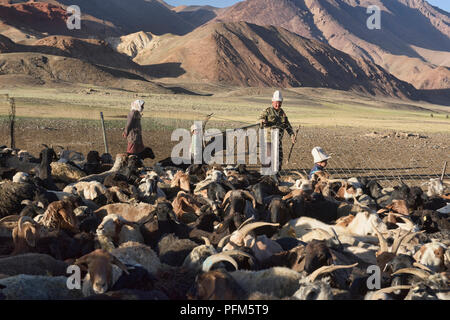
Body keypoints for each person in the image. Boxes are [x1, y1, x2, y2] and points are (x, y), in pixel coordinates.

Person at [259, 90, 295, 173]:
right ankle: (266, 175)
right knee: (268, 159)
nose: (278, 104)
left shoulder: (282, 113)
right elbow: (260, 119)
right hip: (269, 140)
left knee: (279, 158)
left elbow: (287, 125)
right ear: (272, 102)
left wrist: (292, 135)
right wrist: (262, 121)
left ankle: (277, 174)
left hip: (278, 140)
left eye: (279, 103)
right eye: (276, 102)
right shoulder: (267, 111)